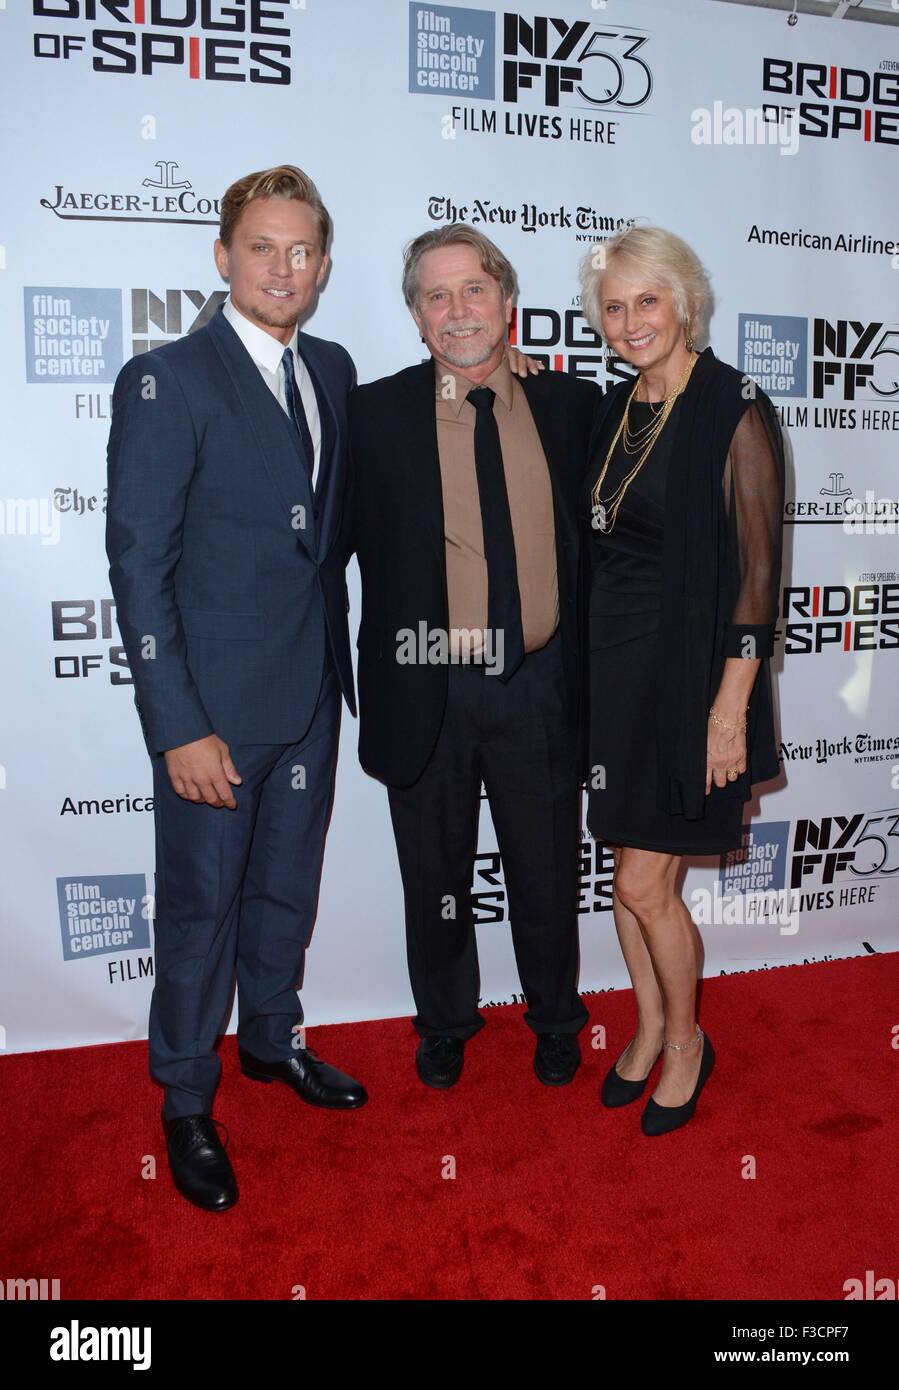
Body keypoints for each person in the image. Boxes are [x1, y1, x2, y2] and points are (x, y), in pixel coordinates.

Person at [106, 165, 367, 1213]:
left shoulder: (335, 370)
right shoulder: (167, 378)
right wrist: (178, 727)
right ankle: (183, 1098)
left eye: (301, 250)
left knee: (283, 895)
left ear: (321, 267)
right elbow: (138, 565)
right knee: (200, 910)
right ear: (223, 257)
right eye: (262, 247)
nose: (282, 267)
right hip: (211, 718)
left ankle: (270, 1040)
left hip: (309, 698)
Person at [348, 225, 601, 1089]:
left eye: (473, 292)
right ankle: (446, 1021)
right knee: (436, 877)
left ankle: (557, 1018)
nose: (458, 312)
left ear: (506, 302)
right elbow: (322, 555)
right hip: (428, 683)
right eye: (436, 296)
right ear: (417, 316)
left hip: (540, 683)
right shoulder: (375, 414)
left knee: (545, 873)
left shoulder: (570, 407)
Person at [579, 225, 785, 1135]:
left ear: (684, 300)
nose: (629, 322)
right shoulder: (619, 404)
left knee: (646, 886)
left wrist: (728, 710)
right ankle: (651, 1020)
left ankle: (686, 1043)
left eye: (645, 301)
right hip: (613, 677)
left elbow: (755, 573)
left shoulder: (732, 405)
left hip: (692, 683)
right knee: (626, 876)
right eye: (613, 307)